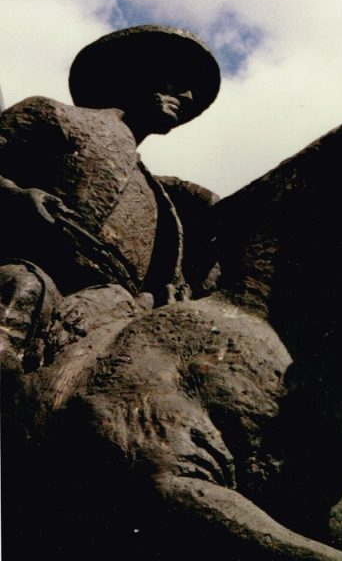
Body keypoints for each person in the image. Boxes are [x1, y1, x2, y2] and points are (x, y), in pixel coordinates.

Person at [0, 25, 221, 371]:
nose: (189, 96)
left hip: (111, 310)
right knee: (21, 290)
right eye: (175, 80)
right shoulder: (55, 116)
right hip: (36, 279)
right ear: (135, 72)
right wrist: (15, 197)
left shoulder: (159, 197)